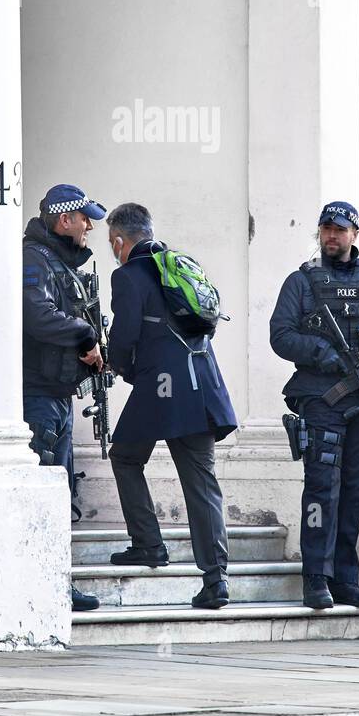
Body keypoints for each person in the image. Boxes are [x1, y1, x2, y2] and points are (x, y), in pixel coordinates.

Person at [269, 200, 359, 611]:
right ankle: (316, 577)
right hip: (322, 398)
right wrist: (320, 353)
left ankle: (346, 577)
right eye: (326, 229)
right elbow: (280, 335)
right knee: (321, 488)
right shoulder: (302, 282)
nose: (332, 236)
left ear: (354, 234)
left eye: (340, 229)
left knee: (356, 489)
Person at [105, 203, 237, 609]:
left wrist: (121, 367)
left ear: (119, 241)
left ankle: (148, 543)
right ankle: (216, 581)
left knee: (125, 457)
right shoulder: (181, 265)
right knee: (201, 483)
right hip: (203, 385)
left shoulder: (127, 275)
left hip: (159, 388)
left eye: (112, 243)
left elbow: (125, 336)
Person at [22, 183, 108, 614]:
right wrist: (85, 336)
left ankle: (55, 580)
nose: (89, 226)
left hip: (56, 394)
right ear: (64, 220)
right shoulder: (34, 260)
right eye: (83, 218)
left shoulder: (58, 261)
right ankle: (42, 583)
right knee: (44, 490)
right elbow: (37, 316)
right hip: (38, 395)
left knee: (59, 492)